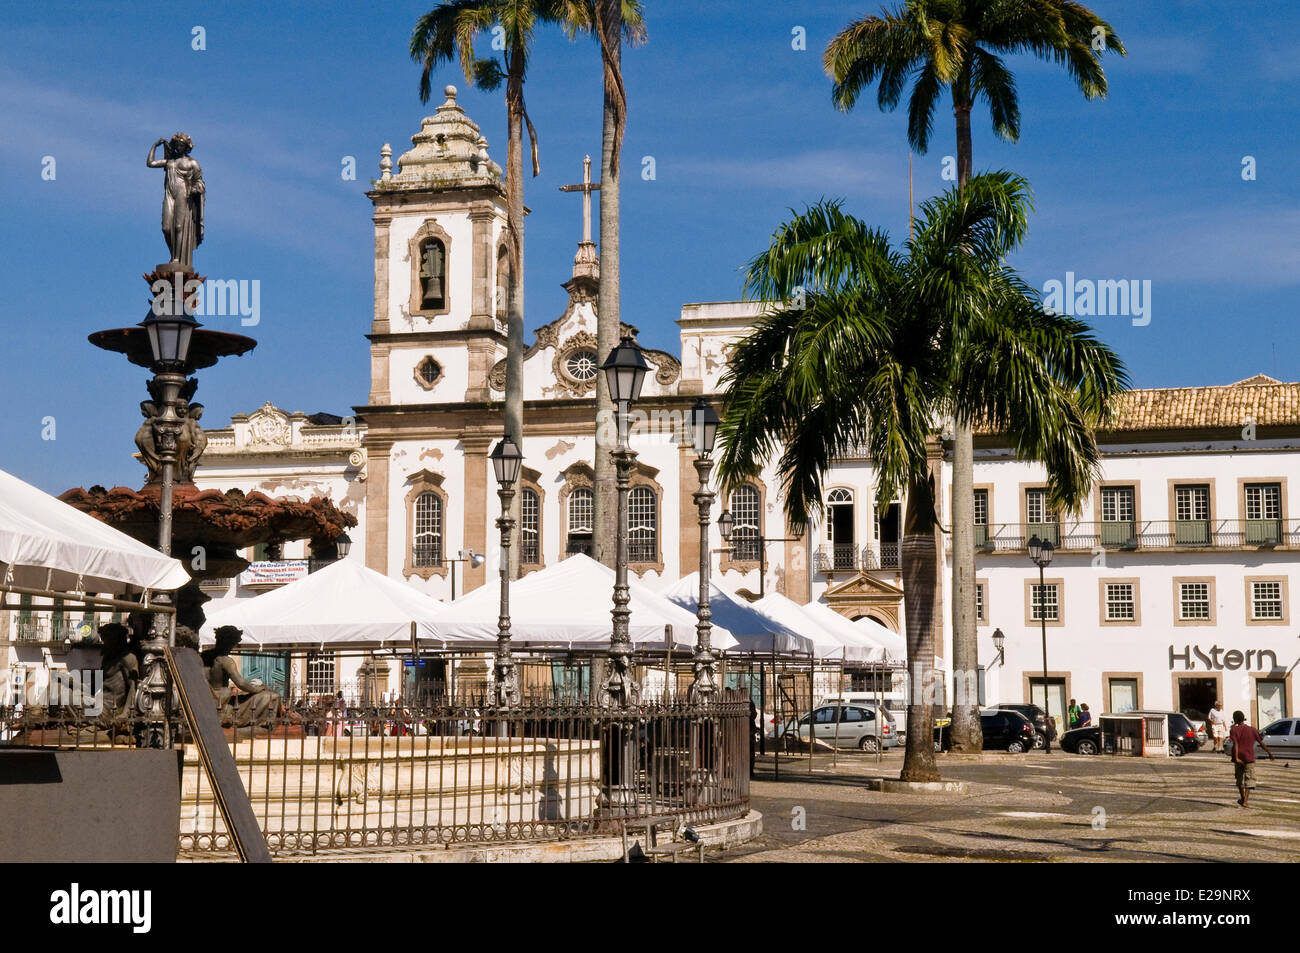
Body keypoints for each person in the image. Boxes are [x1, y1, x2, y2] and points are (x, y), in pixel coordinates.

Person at [201, 625, 282, 727]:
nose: (233, 646)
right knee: (272, 696)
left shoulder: (204, 655)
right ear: (228, 642)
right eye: (233, 643)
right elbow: (241, 683)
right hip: (223, 702)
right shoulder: (225, 660)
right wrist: (258, 689)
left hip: (207, 700)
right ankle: (264, 723)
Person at [1228, 710, 1273, 807]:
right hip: (1249, 758)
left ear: (1235, 719)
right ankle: (1245, 800)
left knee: (1239, 780)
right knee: (1249, 779)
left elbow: (1235, 744)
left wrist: (1236, 757)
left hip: (1238, 758)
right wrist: (1269, 753)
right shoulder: (1252, 730)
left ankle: (1243, 798)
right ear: (1243, 718)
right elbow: (1261, 743)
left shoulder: (1233, 730)